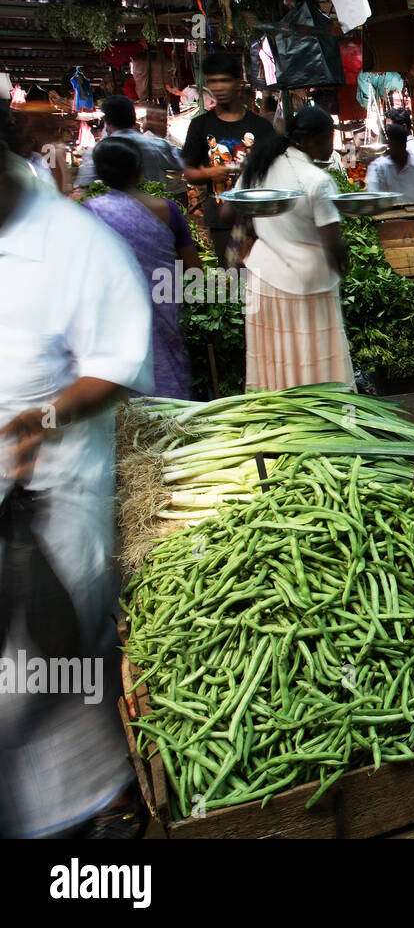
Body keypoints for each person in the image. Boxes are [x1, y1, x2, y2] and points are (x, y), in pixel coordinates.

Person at [0, 99, 154, 838]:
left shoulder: (72, 242)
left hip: (51, 516)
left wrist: (43, 418)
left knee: (50, 695)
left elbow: (118, 365)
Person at [225, 106, 352, 390]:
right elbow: (332, 242)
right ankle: (319, 420)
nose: (331, 145)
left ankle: (279, 421)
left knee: (275, 358)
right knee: (313, 358)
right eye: (328, 137)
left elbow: (227, 211)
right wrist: (345, 261)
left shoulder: (261, 166)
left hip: (263, 280)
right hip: (308, 286)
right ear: (310, 141)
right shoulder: (318, 181)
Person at [82, 137, 197, 399]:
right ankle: (171, 423)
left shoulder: (90, 212)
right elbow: (194, 268)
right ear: (139, 170)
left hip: (112, 313)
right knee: (167, 372)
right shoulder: (167, 209)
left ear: (100, 174)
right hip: (164, 307)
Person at [181, 53, 277, 265]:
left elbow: (276, 171)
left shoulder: (261, 128)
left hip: (261, 219)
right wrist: (209, 173)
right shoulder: (200, 126)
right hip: (221, 219)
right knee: (234, 278)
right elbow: (188, 171)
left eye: (224, 80)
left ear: (237, 82)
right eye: (213, 81)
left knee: (265, 274)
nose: (219, 87)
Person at [77, 94, 183, 188]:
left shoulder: (96, 152)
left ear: (107, 122)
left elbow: (84, 186)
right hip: (155, 208)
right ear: (134, 118)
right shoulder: (158, 145)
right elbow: (188, 161)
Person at [365, 124, 414, 204]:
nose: (395, 149)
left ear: (404, 144)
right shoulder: (377, 167)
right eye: (393, 146)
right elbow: (374, 197)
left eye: (397, 145)